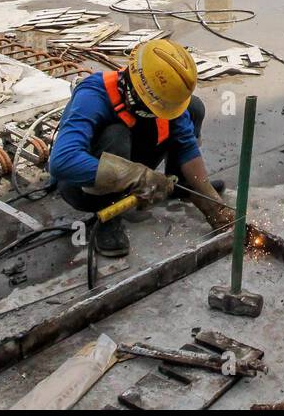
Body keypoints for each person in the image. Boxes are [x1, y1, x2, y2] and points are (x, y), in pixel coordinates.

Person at [47, 39, 220, 257]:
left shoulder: (160, 96)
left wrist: (212, 203)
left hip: (130, 158)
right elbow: (62, 162)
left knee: (193, 108)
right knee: (116, 134)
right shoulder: (93, 95)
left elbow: (186, 144)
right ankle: (108, 215)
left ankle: (181, 186)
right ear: (139, 93)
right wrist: (138, 177)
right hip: (82, 182)